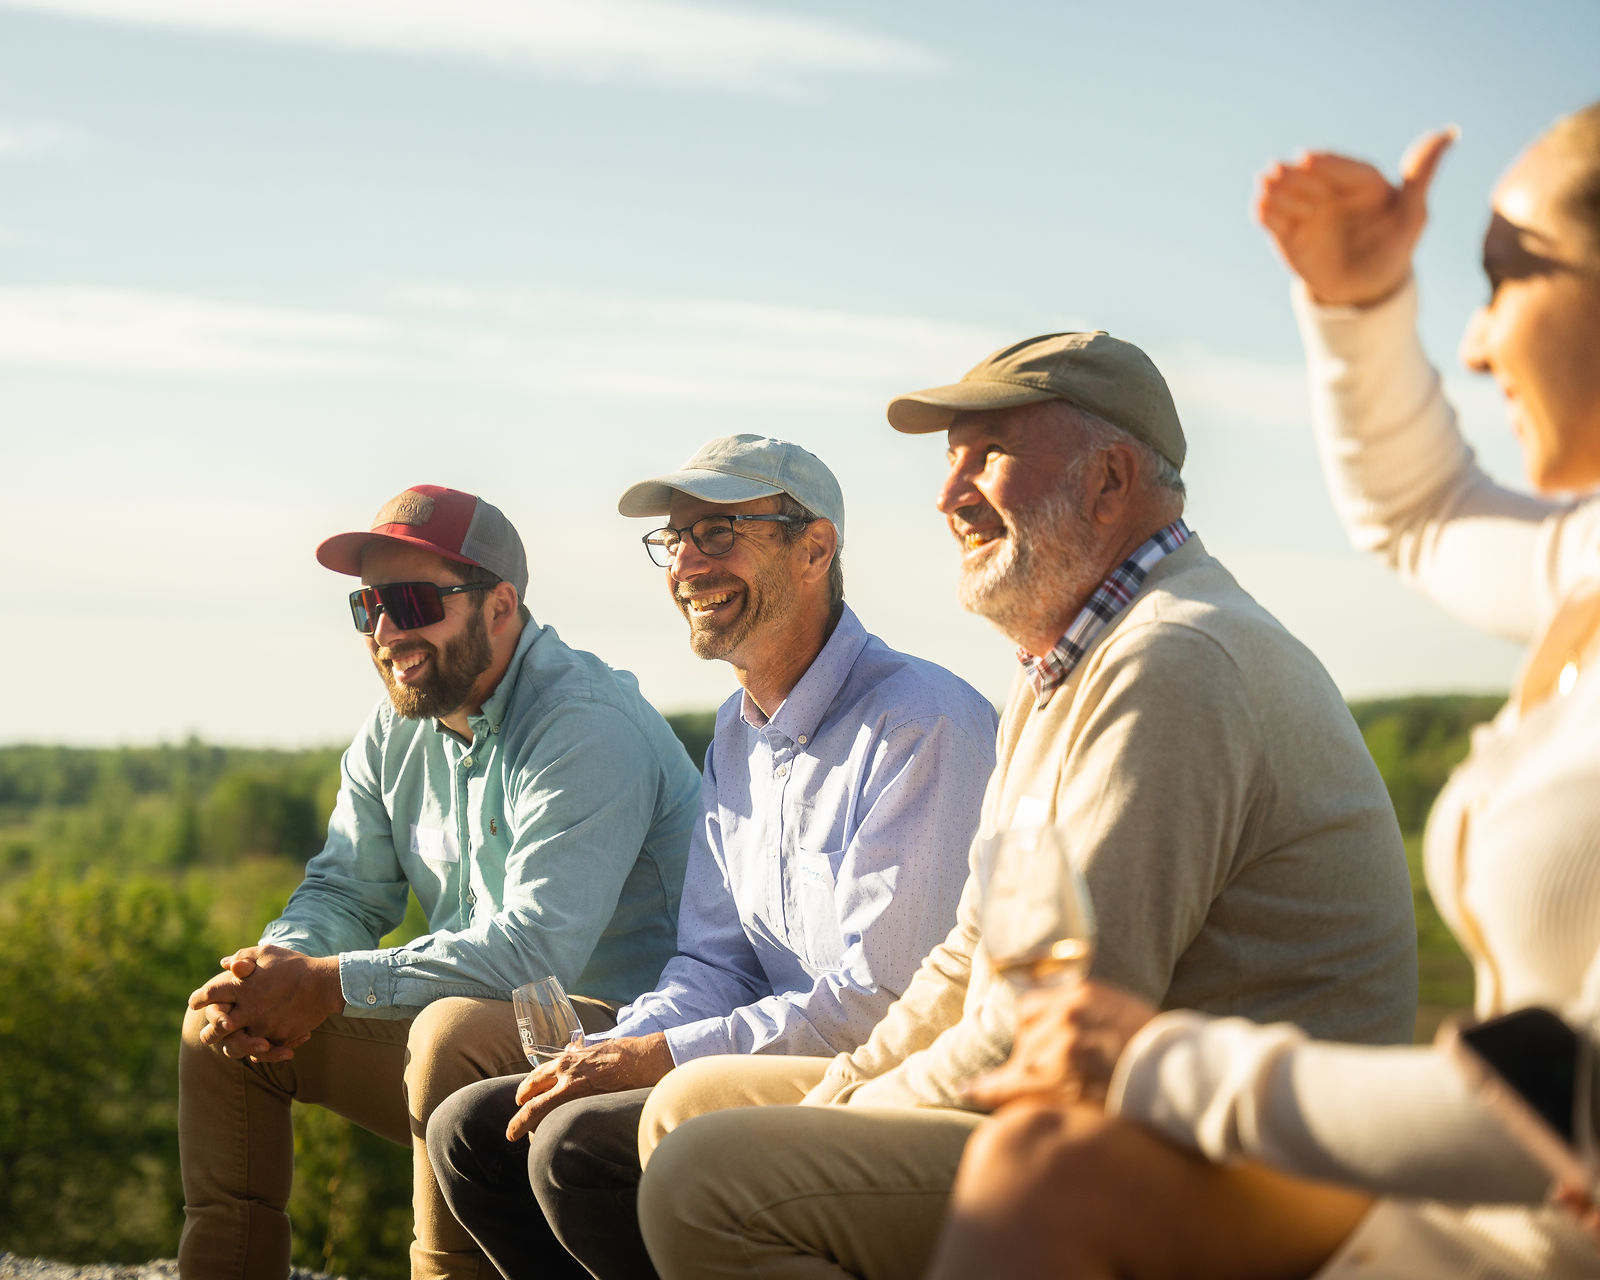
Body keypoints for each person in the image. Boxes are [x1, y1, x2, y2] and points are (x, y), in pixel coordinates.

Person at [921, 101, 1600, 1280]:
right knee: (1038, 1172)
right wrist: (1356, 304)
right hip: (1494, 1208)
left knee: (1031, 1170)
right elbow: (1416, 506)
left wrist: (1149, 1061)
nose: (1477, 346)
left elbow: (1571, 1095)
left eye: (1505, 280)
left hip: (1531, 1219)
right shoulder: (1585, 567)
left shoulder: (1180, 656)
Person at [631, 331, 1421, 1280]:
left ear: (1109, 480)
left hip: (1226, 1166)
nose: (947, 493)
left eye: (988, 453)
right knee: (695, 1105)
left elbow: (1061, 1021)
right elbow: (970, 956)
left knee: (706, 1179)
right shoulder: (1063, 668)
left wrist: (843, 1117)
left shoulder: (1173, 664)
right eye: (949, 458)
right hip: (1105, 1118)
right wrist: (841, 1089)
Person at [425, 435, 999, 1279]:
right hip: (769, 1055)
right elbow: (714, 963)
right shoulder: (736, 734)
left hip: (882, 1078)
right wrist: (620, 1044)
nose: (686, 562)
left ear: (815, 549)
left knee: (573, 1148)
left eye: (719, 532)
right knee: (473, 1130)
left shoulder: (921, 723)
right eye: (675, 540)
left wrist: (656, 1058)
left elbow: (886, 1004)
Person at [177, 484, 702, 1280]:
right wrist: (274, 969)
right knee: (220, 1025)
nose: (387, 631)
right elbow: (346, 893)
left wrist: (328, 984)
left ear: (499, 605)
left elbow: (536, 951)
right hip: (481, 1044)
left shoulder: (585, 723)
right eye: (367, 607)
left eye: (413, 600)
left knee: (450, 1031)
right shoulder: (397, 728)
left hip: (631, 1045)